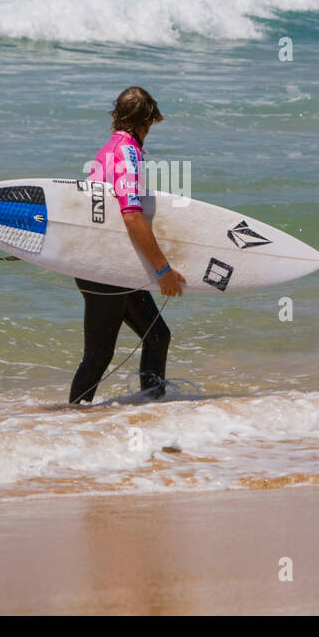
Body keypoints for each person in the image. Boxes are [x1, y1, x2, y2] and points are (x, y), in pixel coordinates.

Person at [69, 87, 186, 404]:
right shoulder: (128, 153)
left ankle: (151, 407)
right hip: (104, 269)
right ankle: (69, 426)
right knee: (97, 356)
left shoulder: (107, 149)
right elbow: (132, 216)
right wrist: (162, 270)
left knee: (157, 335)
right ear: (145, 121)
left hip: (109, 263)